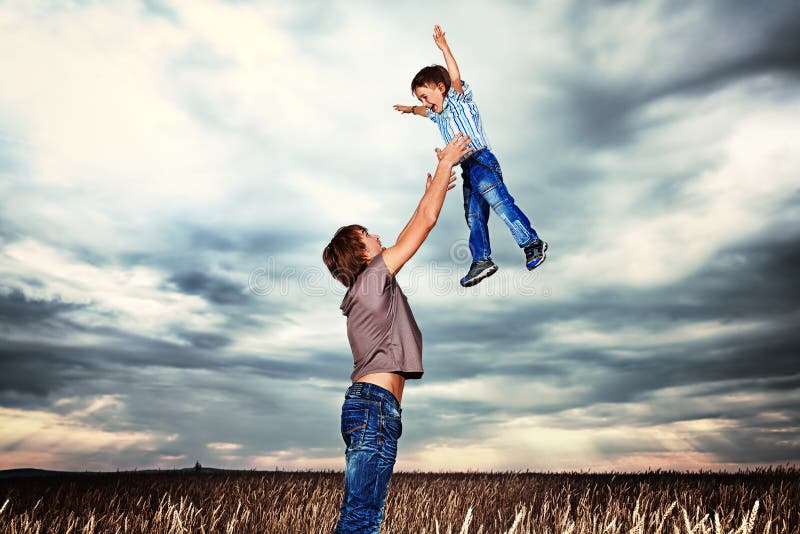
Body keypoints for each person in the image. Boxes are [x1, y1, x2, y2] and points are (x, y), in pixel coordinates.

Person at [323, 133, 473, 533]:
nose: (376, 235)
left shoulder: (368, 288)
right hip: (373, 407)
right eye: (368, 233)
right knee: (361, 519)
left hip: (376, 408)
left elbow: (422, 214)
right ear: (362, 251)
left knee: (363, 517)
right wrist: (446, 165)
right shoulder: (371, 281)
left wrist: (434, 190)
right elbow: (424, 222)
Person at [394, 24, 548, 287]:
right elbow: (422, 111)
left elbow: (454, 76)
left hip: (482, 159)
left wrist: (444, 48)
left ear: (440, 88)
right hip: (467, 167)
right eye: (421, 98)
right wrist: (409, 109)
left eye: (425, 95)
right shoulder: (435, 113)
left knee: (499, 202)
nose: (425, 102)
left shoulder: (457, 99)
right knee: (473, 215)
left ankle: (531, 242)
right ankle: (482, 260)